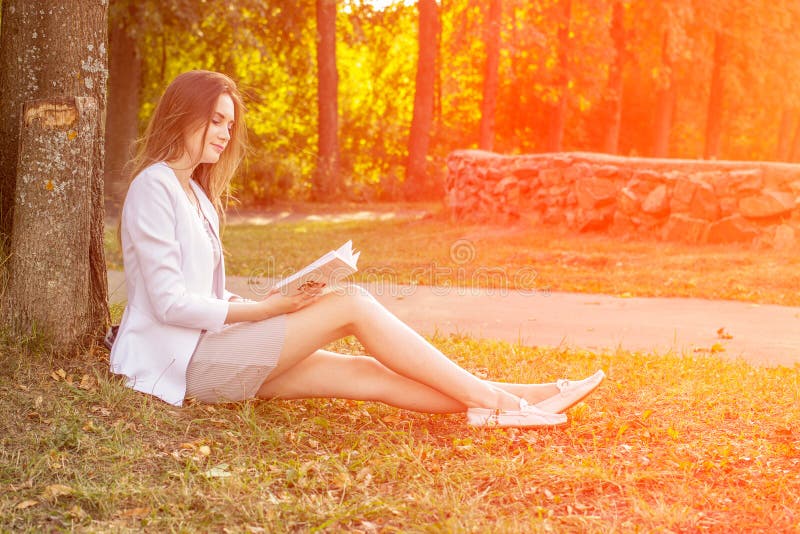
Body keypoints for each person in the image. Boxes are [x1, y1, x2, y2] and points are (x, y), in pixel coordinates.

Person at [109, 70, 605, 428]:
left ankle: (529, 397)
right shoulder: (154, 187)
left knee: (365, 373)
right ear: (185, 115)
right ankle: (501, 406)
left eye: (229, 125)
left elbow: (202, 293)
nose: (225, 134)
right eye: (217, 120)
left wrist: (264, 303)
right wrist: (265, 310)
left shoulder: (195, 194)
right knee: (351, 303)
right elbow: (169, 303)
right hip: (184, 365)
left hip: (212, 350)